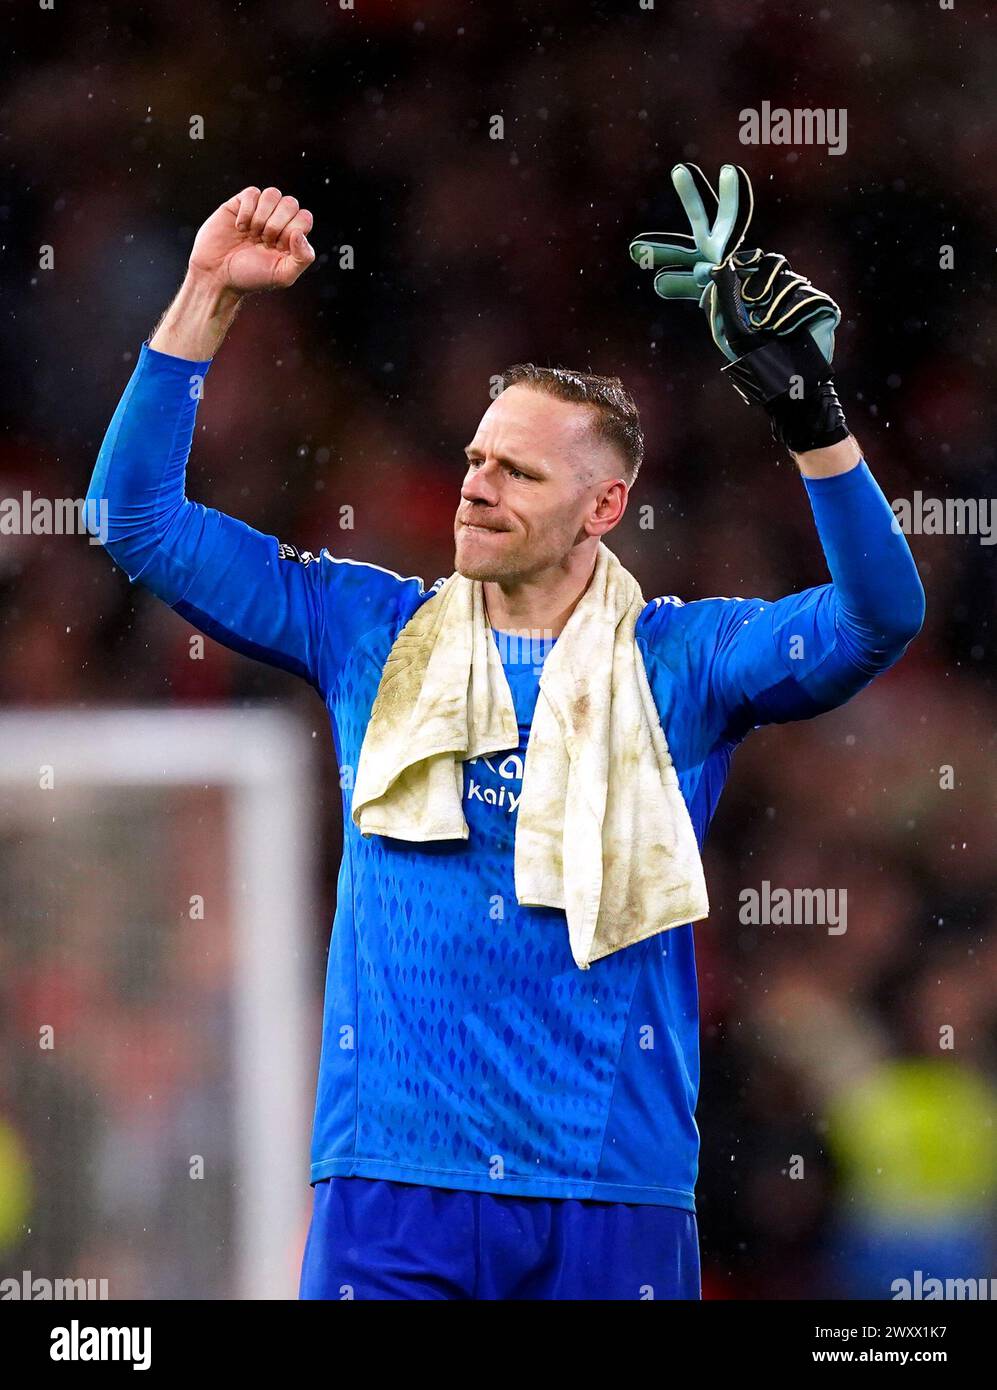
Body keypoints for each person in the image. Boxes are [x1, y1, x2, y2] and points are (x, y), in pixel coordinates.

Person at [87, 179, 925, 1300]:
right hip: (394, 1186)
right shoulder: (367, 630)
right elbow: (133, 515)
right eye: (477, 459)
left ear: (604, 507)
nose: (474, 487)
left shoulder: (680, 663)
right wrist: (203, 295)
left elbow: (880, 616)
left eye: (515, 471)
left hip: (606, 1193)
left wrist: (814, 425)